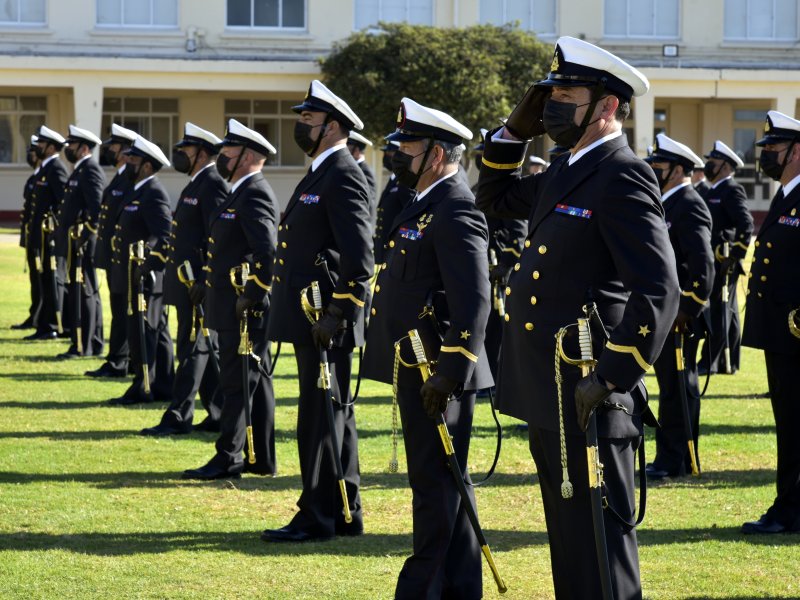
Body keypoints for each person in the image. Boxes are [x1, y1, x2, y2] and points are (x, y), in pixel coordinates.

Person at [476, 36, 679, 598]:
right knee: (568, 539)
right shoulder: (566, 169)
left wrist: (612, 376)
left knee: (602, 540)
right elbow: (493, 199)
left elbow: (658, 289)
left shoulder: (621, 173)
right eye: (551, 91)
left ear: (607, 106)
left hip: (591, 387)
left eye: (567, 91)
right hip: (551, 386)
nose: (552, 102)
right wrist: (511, 136)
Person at [362, 97, 493, 599]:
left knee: (436, 485)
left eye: (405, 146)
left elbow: (473, 298)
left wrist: (451, 369)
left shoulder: (456, 207)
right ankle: (460, 587)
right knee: (441, 480)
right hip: (416, 366)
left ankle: (423, 588)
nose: (396, 154)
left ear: (436, 154)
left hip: (439, 373)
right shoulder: (423, 202)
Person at [263, 80, 373, 543]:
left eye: (308, 120)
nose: (300, 126)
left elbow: (359, 255)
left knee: (320, 419)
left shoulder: (343, 172)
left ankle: (317, 516)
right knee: (333, 416)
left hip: (325, 320)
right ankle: (345, 512)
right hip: (312, 318)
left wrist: (338, 312)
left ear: (334, 126)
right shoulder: (320, 171)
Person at [182, 119, 279, 479]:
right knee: (252, 380)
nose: (221, 156)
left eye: (228, 151)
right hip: (230, 304)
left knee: (238, 383)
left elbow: (267, 252)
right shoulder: (239, 191)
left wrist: (252, 294)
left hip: (243, 309)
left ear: (248, 155)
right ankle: (259, 457)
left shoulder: (254, 192)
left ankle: (230, 457)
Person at [141, 123, 227, 437]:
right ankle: (219, 412)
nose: (179, 154)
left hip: (198, 285)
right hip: (187, 283)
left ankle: (178, 415)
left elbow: (217, 237)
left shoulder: (213, 183)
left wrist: (205, 279)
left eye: (185, 149)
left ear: (201, 153)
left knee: (193, 349)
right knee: (199, 348)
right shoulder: (195, 183)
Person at [741, 110, 800, 534]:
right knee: (790, 424)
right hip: (782, 335)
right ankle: (788, 505)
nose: (766, 156)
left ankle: (789, 511)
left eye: (774, 149)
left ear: (797, 152)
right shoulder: (785, 196)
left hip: (797, 335)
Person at [645, 133, 714, 480]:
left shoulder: (689, 203)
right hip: (667, 315)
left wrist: (688, 309)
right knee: (670, 389)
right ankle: (668, 456)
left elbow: (703, 266)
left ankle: (680, 458)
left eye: (659, 165)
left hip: (681, 320)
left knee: (679, 390)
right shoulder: (668, 202)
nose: (654, 170)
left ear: (677, 169)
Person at [107, 135, 174, 405]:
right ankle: (157, 384)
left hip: (147, 277)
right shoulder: (139, 190)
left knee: (149, 332)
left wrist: (146, 261)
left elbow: (163, 235)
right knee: (150, 333)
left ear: (147, 166)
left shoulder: (154, 192)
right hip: (134, 275)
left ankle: (147, 385)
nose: (127, 161)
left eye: (133, 159)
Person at [473, 129, 527, 385]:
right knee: (485, 327)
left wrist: (507, 263)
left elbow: (518, 231)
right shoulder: (478, 188)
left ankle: (497, 377)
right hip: (483, 266)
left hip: (499, 270)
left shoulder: (507, 190)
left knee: (497, 328)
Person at [86, 124, 137, 378]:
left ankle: (121, 361)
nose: (109, 150)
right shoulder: (120, 175)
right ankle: (117, 358)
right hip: (114, 256)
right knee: (118, 310)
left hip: (125, 257)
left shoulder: (131, 178)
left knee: (123, 311)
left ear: (126, 150)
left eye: (113, 146)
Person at [699, 140, 753, 375]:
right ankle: (727, 363)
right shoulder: (715, 190)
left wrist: (735, 255)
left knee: (720, 312)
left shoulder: (731, 189)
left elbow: (746, 224)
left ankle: (709, 362)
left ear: (725, 166)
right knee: (727, 314)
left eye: (713, 161)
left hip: (723, 263)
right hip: (717, 261)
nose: (708, 164)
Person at [55, 125, 106, 358]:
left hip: (82, 242)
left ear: (84, 148)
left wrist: (84, 235)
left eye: (72, 146)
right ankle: (90, 343)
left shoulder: (90, 170)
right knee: (84, 291)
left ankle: (83, 344)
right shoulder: (79, 170)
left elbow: (96, 210)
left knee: (85, 292)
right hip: (75, 240)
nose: (68, 150)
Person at [23, 126, 68, 341]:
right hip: (39, 237)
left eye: (41, 144)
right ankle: (43, 323)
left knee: (51, 281)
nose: (37, 147)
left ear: (51, 147)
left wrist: (54, 229)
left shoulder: (56, 169)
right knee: (43, 281)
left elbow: (63, 203)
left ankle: (51, 325)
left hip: (48, 238)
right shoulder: (44, 169)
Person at [12, 135, 42, 331]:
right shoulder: (36, 176)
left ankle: (40, 317)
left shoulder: (48, 174)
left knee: (41, 280)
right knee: (35, 278)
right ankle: (35, 315)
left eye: (33, 150)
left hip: (42, 237)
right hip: (32, 234)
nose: (30, 155)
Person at [373, 140, 415, 265]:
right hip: (384, 248)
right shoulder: (394, 179)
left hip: (394, 250)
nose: (387, 156)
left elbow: (410, 215)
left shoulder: (405, 181)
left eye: (390, 152)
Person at [347, 131, 378, 231]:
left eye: (348, 147)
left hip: (359, 227)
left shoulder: (364, 171)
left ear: (357, 150)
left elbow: (368, 201)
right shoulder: (353, 168)